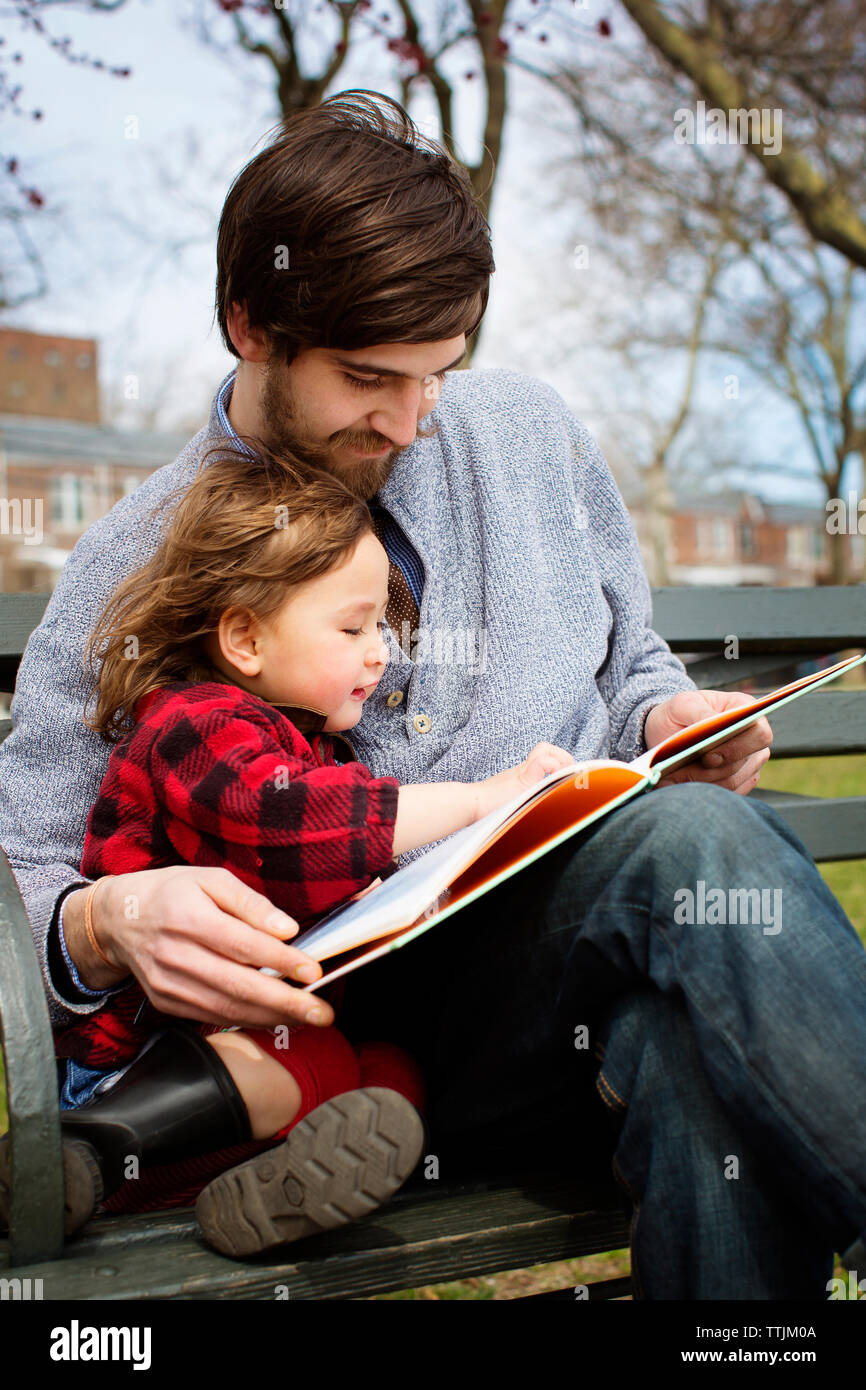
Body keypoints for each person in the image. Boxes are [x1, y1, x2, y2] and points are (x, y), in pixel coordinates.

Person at [1, 90, 864, 1298]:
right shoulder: (126, 562)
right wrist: (103, 924)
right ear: (251, 325)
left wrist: (666, 721)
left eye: (437, 375)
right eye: (368, 377)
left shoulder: (530, 436)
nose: (409, 420)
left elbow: (632, 668)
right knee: (690, 874)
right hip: (344, 1060)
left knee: (682, 1011)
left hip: (561, 998)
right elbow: (29, 863)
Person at [1, 444, 574, 1258]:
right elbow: (298, 824)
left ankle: (255, 1193)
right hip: (148, 1060)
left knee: (386, 1077)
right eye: (352, 627)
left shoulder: (306, 743)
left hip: (250, 1050)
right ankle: (84, 1152)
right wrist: (487, 799)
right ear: (244, 638)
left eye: (381, 624)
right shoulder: (195, 729)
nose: (381, 650)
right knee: (304, 1058)